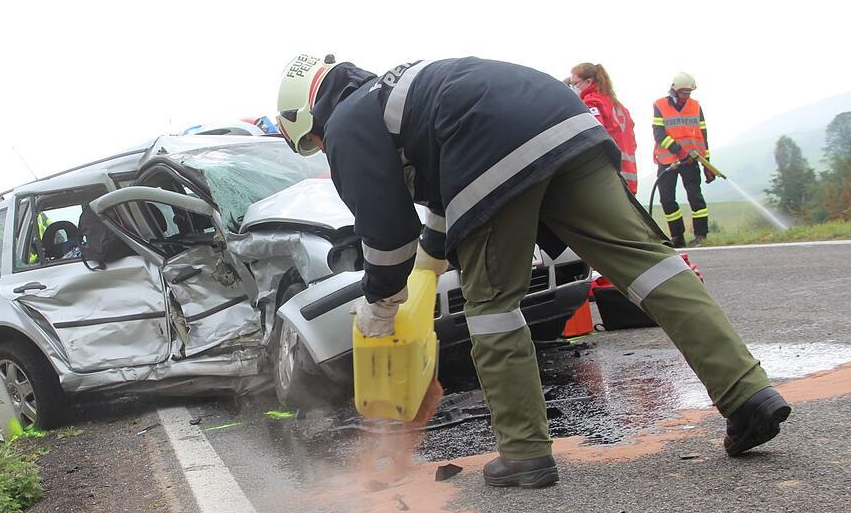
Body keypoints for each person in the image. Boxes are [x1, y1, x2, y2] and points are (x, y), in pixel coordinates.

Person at [275, 54, 791, 488]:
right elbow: (438, 204)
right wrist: (428, 268)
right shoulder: (402, 92)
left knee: (492, 307)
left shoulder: (345, 120)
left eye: (310, 143)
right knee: (650, 266)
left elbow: (387, 235)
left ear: (305, 116)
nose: (320, 149)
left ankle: (524, 453)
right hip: (565, 125)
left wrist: (379, 305)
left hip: (492, 144)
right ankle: (747, 394)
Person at [652, 72, 713, 247]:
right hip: (667, 160)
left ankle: (701, 234)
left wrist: (707, 163)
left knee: (695, 196)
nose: (686, 97)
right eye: (684, 93)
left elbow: (703, 136)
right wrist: (679, 151)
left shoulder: (695, 106)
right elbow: (659, 134)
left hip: (691, 160)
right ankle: (677, 237)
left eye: (689, 93)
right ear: (674, 90)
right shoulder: (660, 105)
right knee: (667, 199)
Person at [568, 63, 638, 194]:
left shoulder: (591, 103)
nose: (573, 88)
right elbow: (632, 141)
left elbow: (594, 137)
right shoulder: (618, 106)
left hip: (610, 174)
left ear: (588, 81)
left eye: (575, 83)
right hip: (629, 172)